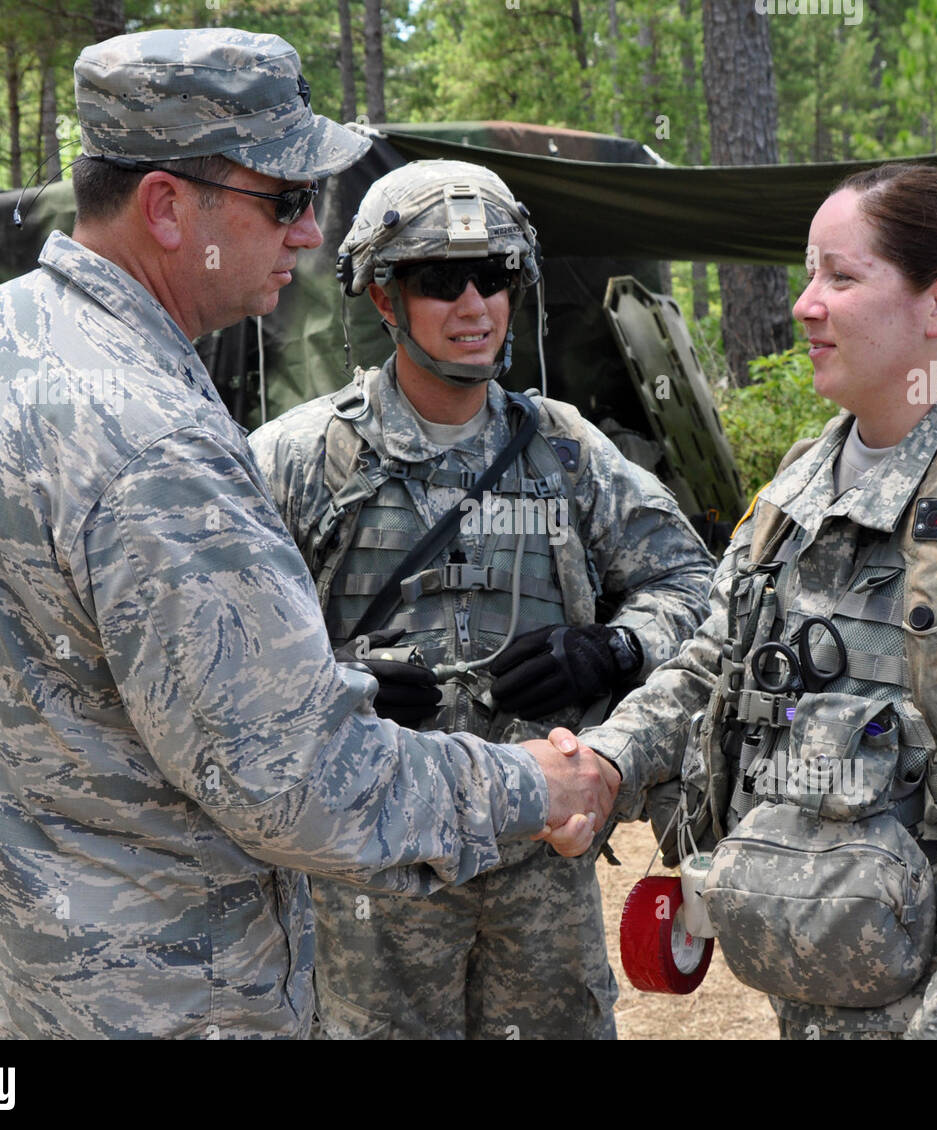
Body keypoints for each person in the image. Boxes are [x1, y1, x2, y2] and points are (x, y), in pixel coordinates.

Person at [0, 28, 617, 1040]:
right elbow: (301, 780)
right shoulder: (152, 435)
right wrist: (536, 780)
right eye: (287, 201)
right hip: (150, 1000)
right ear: (168, 208)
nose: (309, 236)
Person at [580, 164, 937, 1039]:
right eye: (810, 275)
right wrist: (605, 763)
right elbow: (710, 668)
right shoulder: (801, 486)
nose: (805, 304)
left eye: (841, 277)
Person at [249, 159, 715, 1039]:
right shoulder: (298, 460)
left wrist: (611, 651)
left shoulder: (565, 450)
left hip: (539, 859)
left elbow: (693, 588)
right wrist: (337, 682)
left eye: (494, 278)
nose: (475, 306)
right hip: (371, 872)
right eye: (440, 281)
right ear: (386, 301)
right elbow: (225, 652)